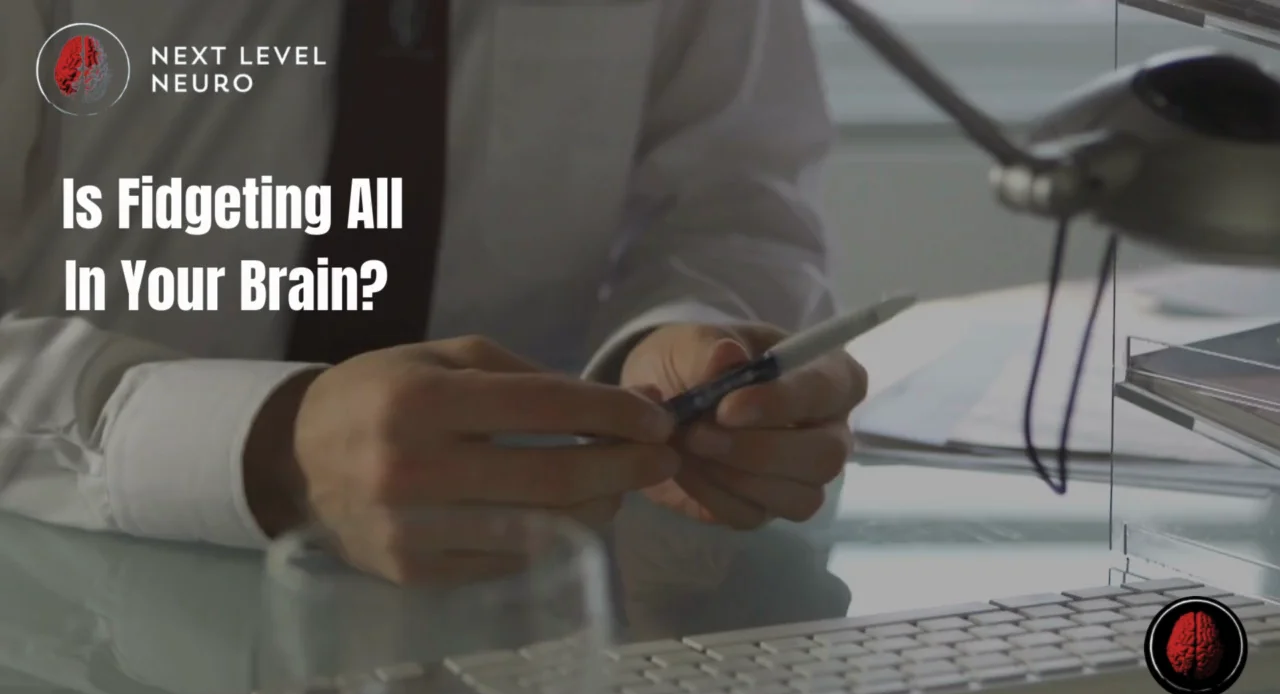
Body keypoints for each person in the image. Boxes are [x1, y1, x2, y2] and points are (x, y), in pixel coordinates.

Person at [0, 0, 865, 581]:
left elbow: (733, 204)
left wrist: (681, 347)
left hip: (540, 601)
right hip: (76, 604)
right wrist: (266, 445)